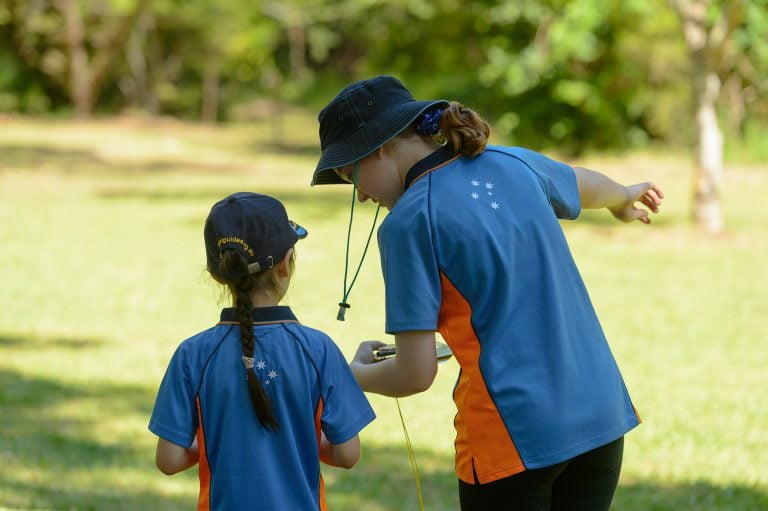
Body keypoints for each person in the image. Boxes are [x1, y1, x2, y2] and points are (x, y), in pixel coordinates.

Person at [310, 75, 664, 511]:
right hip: (601, 418)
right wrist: (623, 197)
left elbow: (414, 374)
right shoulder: (513, 163)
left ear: (380, 145)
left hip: (515, 438)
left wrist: (350, 375)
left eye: (351, 175)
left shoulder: (406, 225)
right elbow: (583, 184)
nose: (359, 195)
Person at [148, 192, 375, 510]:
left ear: (216, 273)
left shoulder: (192, 355)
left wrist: (221, 440)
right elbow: (347, 454)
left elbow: (169, 459)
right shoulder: (318, 350)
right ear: (286, 264)